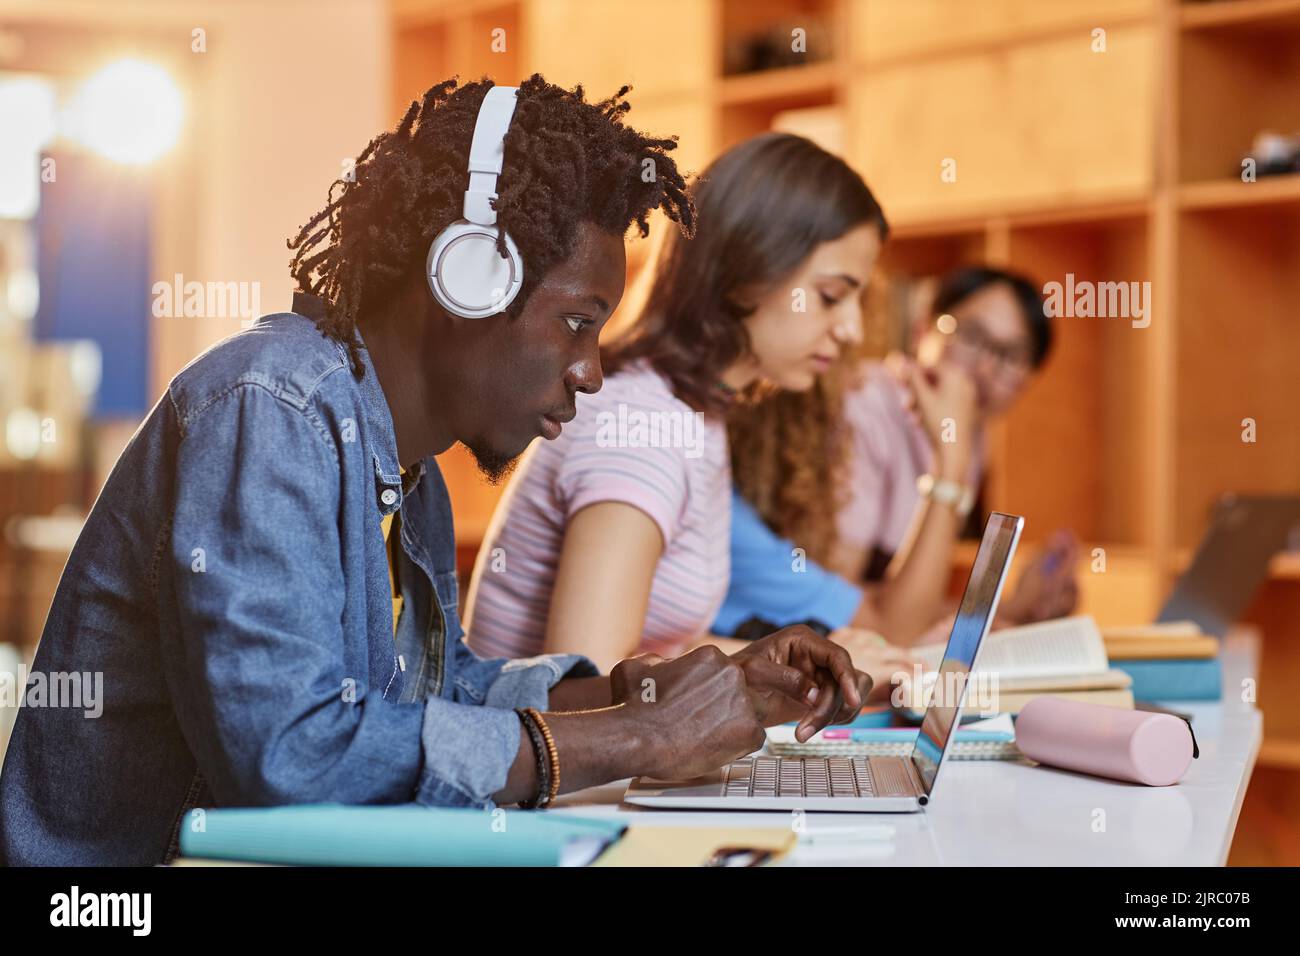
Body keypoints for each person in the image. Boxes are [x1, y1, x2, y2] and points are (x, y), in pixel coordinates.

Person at [0, 78, 870, 866]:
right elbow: (288, 753)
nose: (592, 371)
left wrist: (642, 689)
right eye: (576, 323)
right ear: (469, 279)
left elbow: (439, 692)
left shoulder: (405, 469)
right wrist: (639, 738)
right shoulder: (269, 407)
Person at [465, 132, 913, 687]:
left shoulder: (693, 413)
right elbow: (585, 685)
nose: (852, 330)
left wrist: (802, 666)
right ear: (750, 269)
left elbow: (659, 648)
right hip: (545, 766)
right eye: (830, 296)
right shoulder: (642, 426)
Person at [718, 266, 1081, 647]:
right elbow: (860, 616)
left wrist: (1010, 609)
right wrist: (950, 467)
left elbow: (899, 607)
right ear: (923, 329)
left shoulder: (967, 430)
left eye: (1011, 356)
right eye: (972, 337)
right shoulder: (865, 405)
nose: (987, 368)